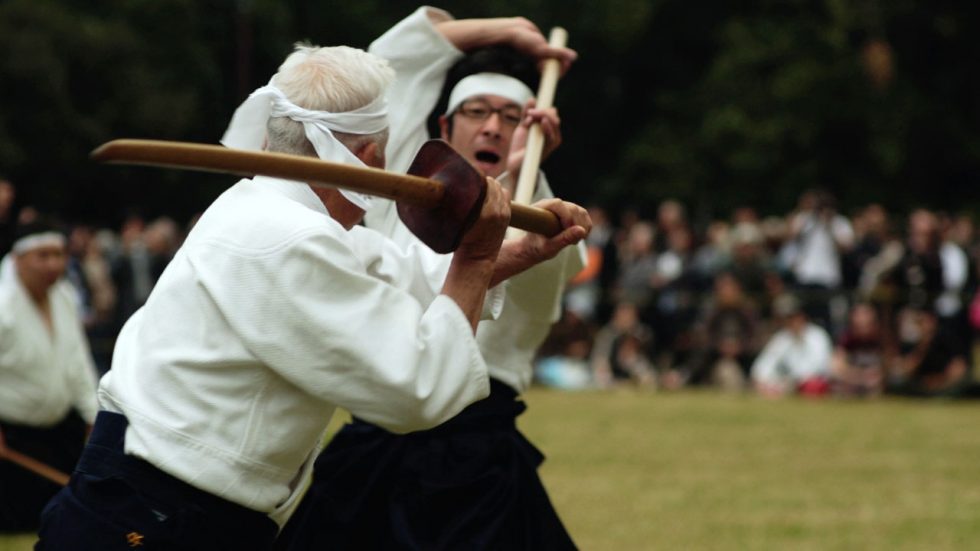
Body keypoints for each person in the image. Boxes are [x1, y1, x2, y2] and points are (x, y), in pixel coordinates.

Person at [35, 43, 588, 551]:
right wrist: (474, 257)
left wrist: (512, 254)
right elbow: (416, 389)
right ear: (369, 155)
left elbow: (402, 275)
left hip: (172, 506)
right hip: (158, 513)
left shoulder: (278, 215)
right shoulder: (288, 236)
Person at [276, 7, 588, 550]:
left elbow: (526, 270)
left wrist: (520, 172)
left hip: (476, 455)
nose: (493, 125)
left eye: (511, 116)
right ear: (444, 127)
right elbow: (381, 72)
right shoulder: (399, 195)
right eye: (477, 111)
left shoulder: (543, 215)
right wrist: (505, 31)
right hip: (375, 439)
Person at [0, 218, 99, 532]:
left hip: (59, 432)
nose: (54, 264)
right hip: (10, 440)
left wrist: (94, 416)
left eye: (59, 254)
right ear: (17, 260)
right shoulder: (2, 305)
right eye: (43, 255)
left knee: (59, 524)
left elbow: (77, 360)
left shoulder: (65, 297)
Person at [750, 293, 833, 397]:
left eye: (794, 317)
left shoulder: (818, 336)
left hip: (812, 384)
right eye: (788, 318)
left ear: (802, 316)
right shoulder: (781, 338)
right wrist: (765, 382)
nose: (792, 322)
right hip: (784, 384)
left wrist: (790, 382)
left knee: (812, 385)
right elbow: (763, 365)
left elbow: (818, 368)